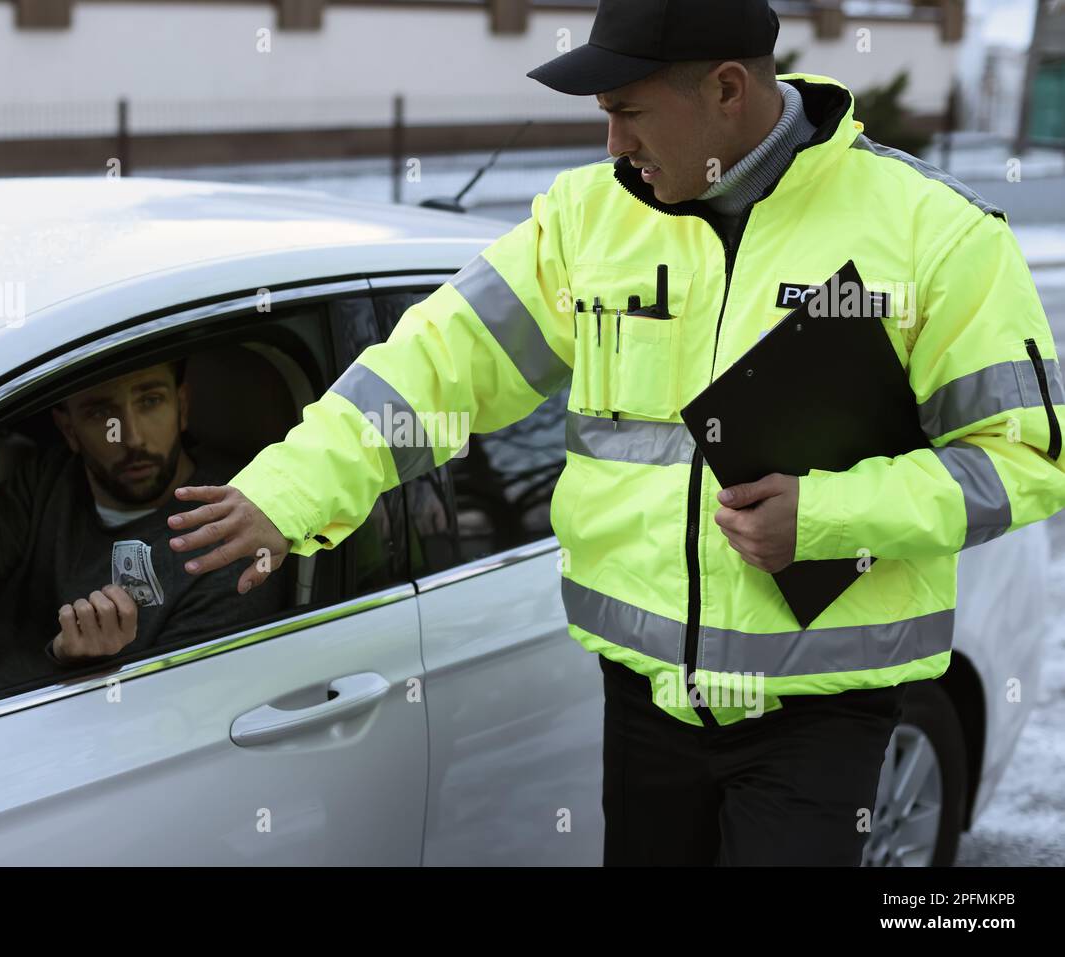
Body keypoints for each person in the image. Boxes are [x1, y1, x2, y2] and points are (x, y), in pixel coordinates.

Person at [162, 0, 1065, 865]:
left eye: (629, 112)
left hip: (822, 712)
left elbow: (1026, 458)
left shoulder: (935, 233)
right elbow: (435, 365)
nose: (613, 143)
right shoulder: (586, 220)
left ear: (725, 90)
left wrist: (827, 517)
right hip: (643, 703)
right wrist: (287, 492)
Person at [0, 360, 283, 699]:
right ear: (69, 430)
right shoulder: (54, 479)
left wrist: (86, 668)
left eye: (151, 401)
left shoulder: (230, 529)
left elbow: (179, 717)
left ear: (182, 407)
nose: (132, 436)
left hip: (57, 744)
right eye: (101, 412)